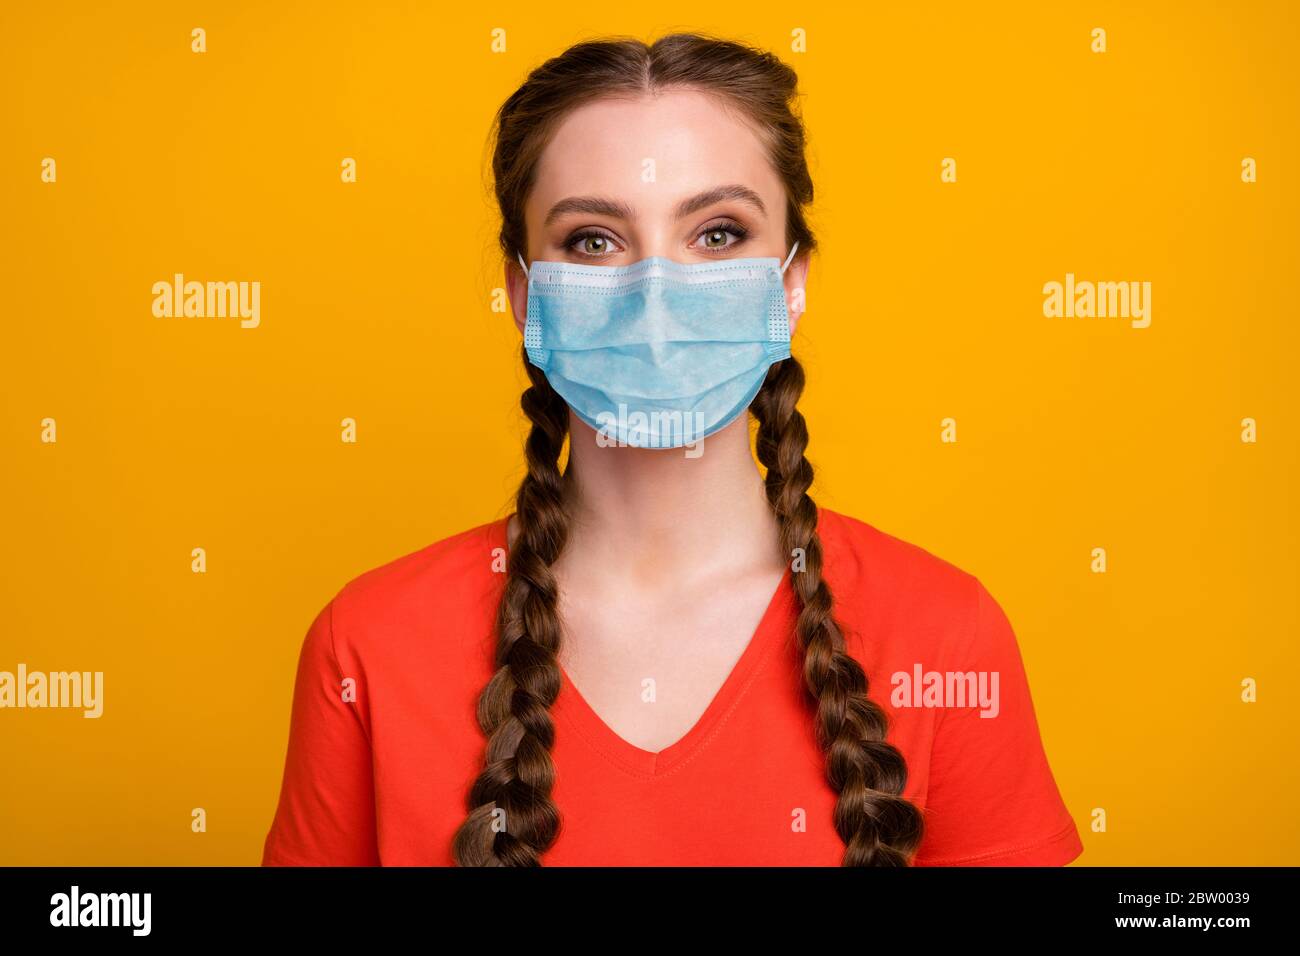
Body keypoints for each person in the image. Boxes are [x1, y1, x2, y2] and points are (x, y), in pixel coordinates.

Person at [261, 32, 1083, 867]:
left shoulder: (945, 634)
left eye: (718, 234)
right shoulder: (367, 644)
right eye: (593, 239)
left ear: (792, 282)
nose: (655, 293)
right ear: (521, 291)